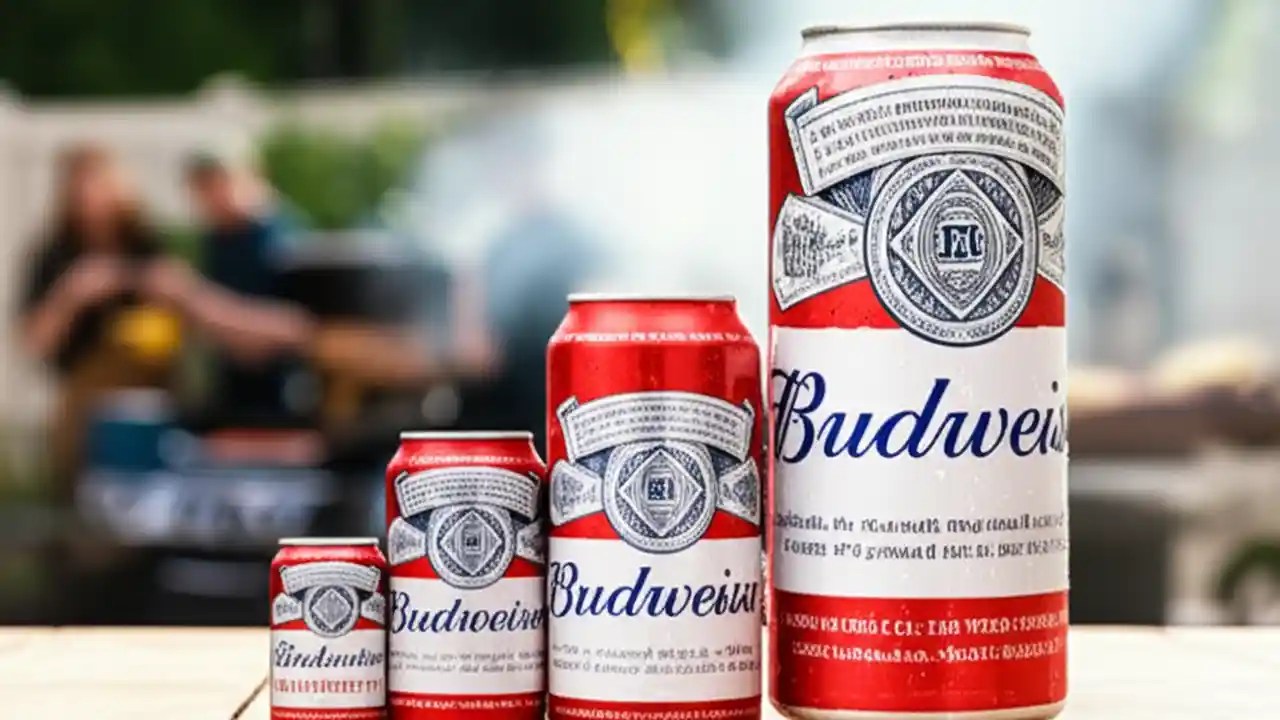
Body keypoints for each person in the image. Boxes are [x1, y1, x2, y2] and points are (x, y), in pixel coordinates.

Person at [19, 144, 175, 498]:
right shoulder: (54, 254)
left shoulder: (146, 242)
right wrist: (71, 296)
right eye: (82, 189)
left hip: (150, 390)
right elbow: (34, 342)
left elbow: (183, 317)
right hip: (84, 400)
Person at [179, 153, 311, 423]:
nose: (214, 196)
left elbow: (295, 327)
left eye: (220, 183)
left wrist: (191, 297)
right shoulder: (218, 239)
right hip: (232, 386)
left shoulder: (282, 239)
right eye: (204, 187)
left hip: (283, 393)